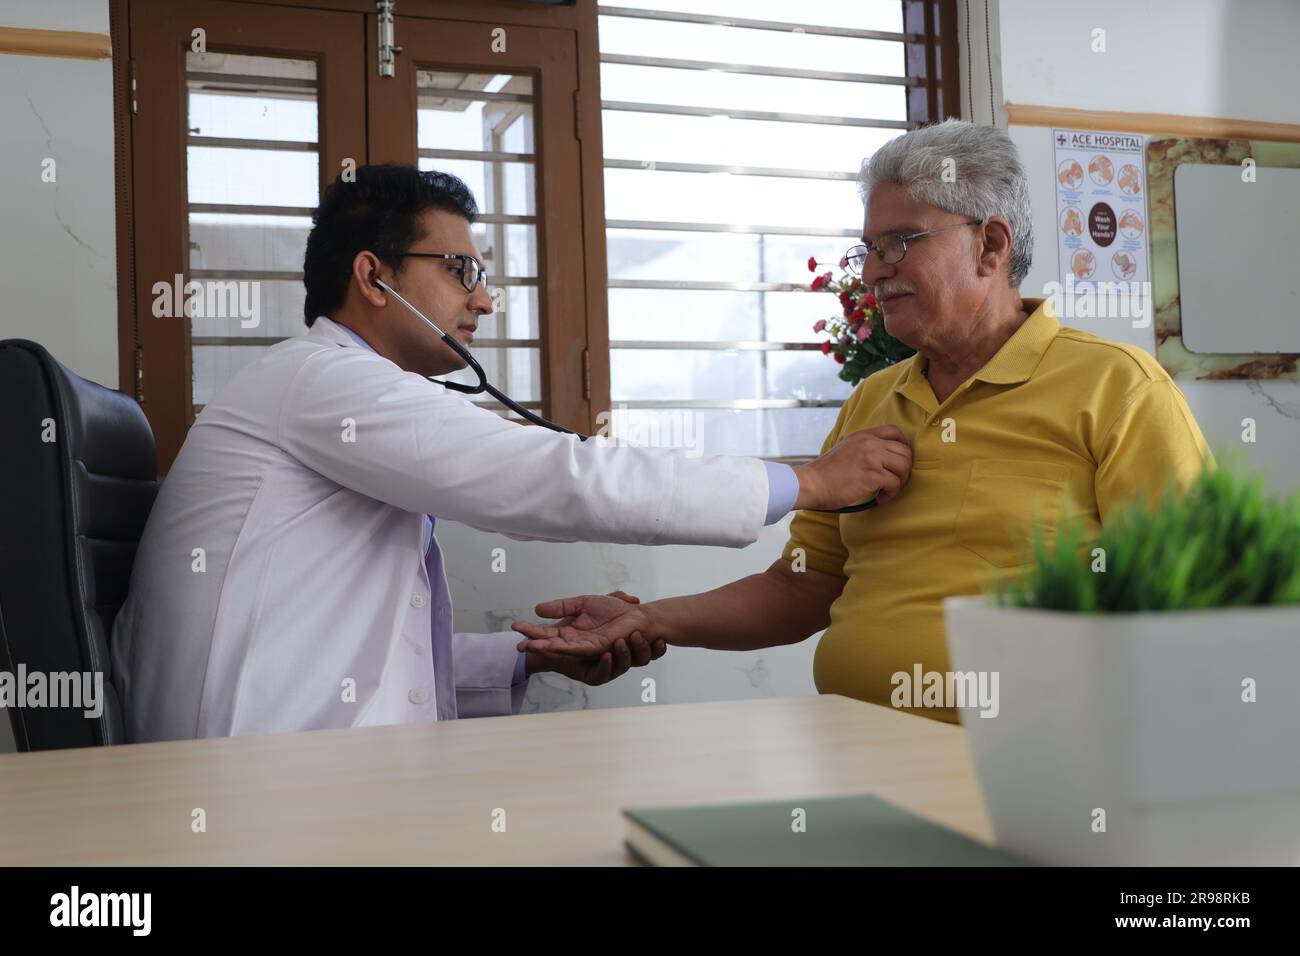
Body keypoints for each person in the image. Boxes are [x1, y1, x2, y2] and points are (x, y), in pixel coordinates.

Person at [110, 164, 911, 741]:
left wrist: (532, 659)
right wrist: (809, 480)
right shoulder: (324, 383)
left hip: (282, 768)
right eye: (460, 270)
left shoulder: (334, 392)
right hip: (259, 789)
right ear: (373, 276)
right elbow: (555, 481)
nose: (484, 298)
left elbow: (343, 654)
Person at [514, 120, 1214, 724]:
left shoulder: (1115, 386)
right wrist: (650, 618)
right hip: (857, 749)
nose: (874, 273)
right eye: (868, 249)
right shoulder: (873, 400)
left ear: (991, 246)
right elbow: (803, 584)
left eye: (899, 242)